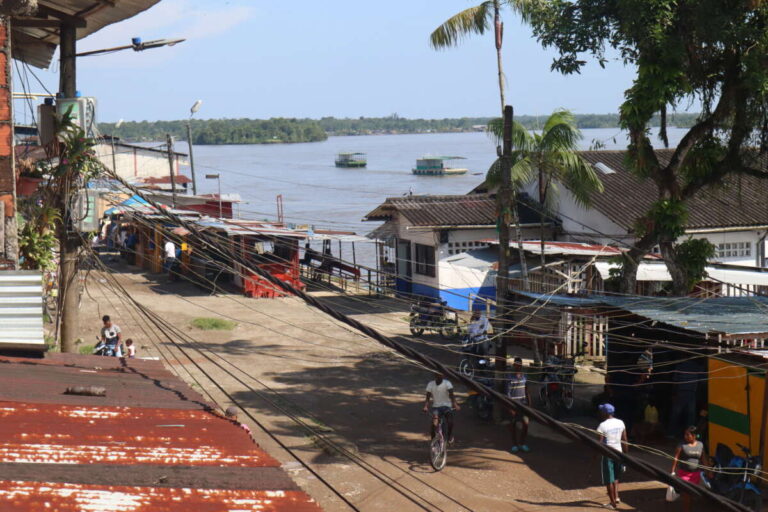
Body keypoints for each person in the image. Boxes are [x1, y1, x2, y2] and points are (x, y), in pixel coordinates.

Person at [671, 426, 711, 512]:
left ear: (694, 436)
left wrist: (708, 471)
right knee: (687, 494)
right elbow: (676, 458)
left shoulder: (701, 445)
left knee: (691, 494)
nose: (685, 436)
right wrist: (672, 472)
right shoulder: (681, 445)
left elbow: (704, 459)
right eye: (685, 434)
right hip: (684, 474)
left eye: (687, 435)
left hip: (695, 475)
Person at [597, 403, 628, 510]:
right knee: (616, 477)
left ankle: (612, 503)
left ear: (605, 413)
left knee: (608, 479)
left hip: (608, 454)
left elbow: (599, 444)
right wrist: (625, 456)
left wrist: (596, 455)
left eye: (601, 411)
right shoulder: (621, 422)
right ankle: (617, 497)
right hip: (619, 453)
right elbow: (624, 440)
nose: (600, 413)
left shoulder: (602, 425)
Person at [423, 372, 460, 443]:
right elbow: (427, 397)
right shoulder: (430, 384)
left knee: (450, 421)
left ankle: (449, 436)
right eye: (438, 374)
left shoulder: (447, 383)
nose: (440, 376)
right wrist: (425, 406)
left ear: (443, 375)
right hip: (436, 407)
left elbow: (452, 395)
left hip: (447, 406)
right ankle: (433, 441)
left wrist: (455, 404)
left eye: (441, 374)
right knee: (434, 424)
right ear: (435, 375)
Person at [507, 357, 532, 453]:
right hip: (513, 404)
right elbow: (508, 394)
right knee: (513, 425)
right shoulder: (509, 377)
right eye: (516, 364)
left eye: (519, 364)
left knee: (525, 424)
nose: (518, 366)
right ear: (514, 365)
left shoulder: (524, 377)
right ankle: (514, 445)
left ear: (521, 365)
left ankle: (522, 443)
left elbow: (527, 391)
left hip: (523, 404)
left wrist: (529, 405)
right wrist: (510, 408)